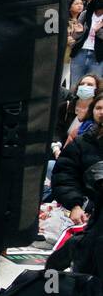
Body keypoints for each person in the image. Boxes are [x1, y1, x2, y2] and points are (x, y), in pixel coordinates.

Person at [52, 97, 103, 226]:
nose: (102, 112)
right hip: (89, 213)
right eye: (98, 108)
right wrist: (75, 205)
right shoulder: (80, 143)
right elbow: (64, 178)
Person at [68, 0, 103, 88]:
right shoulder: (86, 14)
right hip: (80, 52)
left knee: (92, 87)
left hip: (98, 57)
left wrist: (97, 30)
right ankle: (72, 103)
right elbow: (75, 36)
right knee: (74, 85)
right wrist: (78, 32)